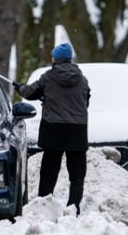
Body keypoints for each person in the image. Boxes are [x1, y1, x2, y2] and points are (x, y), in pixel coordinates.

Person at [14, 43, 90, 215]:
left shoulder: (48, 77)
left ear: (55, 58)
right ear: (69, 58)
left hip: (54, 130)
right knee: (77, 175)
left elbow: (29, 93)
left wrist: (19, 87)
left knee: (49, 171)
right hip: (77, 132)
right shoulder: (82, 79)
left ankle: (44, 205)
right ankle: (74, 207)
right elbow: (86, 102)